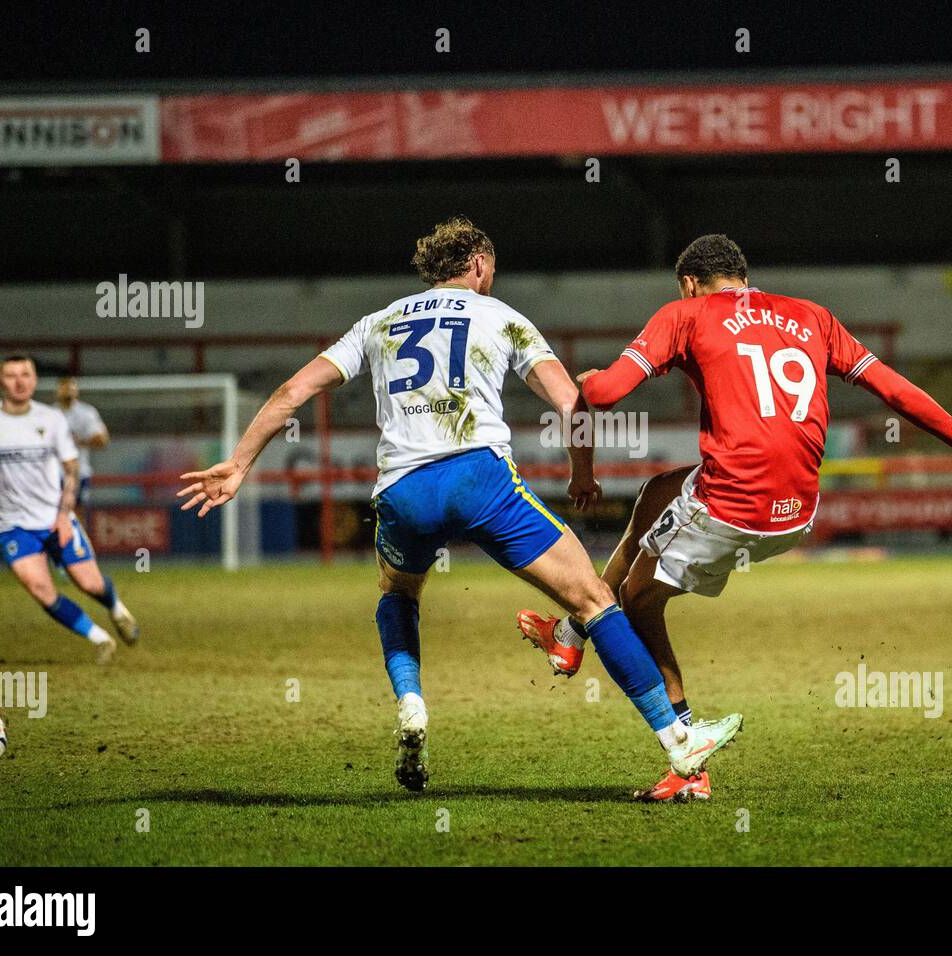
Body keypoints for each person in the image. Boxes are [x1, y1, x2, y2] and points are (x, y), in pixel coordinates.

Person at [176, 216, 742, 793]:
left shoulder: (378, 322)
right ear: (478, 265)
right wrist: (582, 473)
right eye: (490, 269)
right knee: (595, 598)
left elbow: (292, 392)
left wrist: (239, 463)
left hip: (402, 491)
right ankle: (676, 737)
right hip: (479, 481)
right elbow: (572, 401)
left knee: (398, 595)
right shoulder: (501, 317)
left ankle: (413, 703)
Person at [517, 234, 952, 801]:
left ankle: (688, 761)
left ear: (689, 282)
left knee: (633, 607)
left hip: (731, 506)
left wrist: (585, 382)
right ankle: (569, 634)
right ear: (742, 274)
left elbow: (606, 395)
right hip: (799, 511)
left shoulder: (684, 314)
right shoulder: (812, 316)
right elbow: (894, 390)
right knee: (658, 493)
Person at [0, 354, 140, 665]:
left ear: (35, 380)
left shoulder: (51, 420)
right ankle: (100, 639)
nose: (19, 381)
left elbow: (72, 468)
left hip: (54, 518)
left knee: (89, 583)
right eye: (11, 375)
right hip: (12, 525)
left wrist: (64, 516)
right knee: (39, 587)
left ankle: (116, 607)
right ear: (1, 382)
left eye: (25, 374)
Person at [55, 376, 110, 508]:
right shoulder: (50, 413)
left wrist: (79, 441)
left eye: (71, 387)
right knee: (51, 515)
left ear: (77, 391)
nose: (68, 391)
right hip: (53, 473)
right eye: (64, 387)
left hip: (79, 472)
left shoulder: (86, 412)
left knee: (78, 511)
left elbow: (102, 440)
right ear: (57, 391)